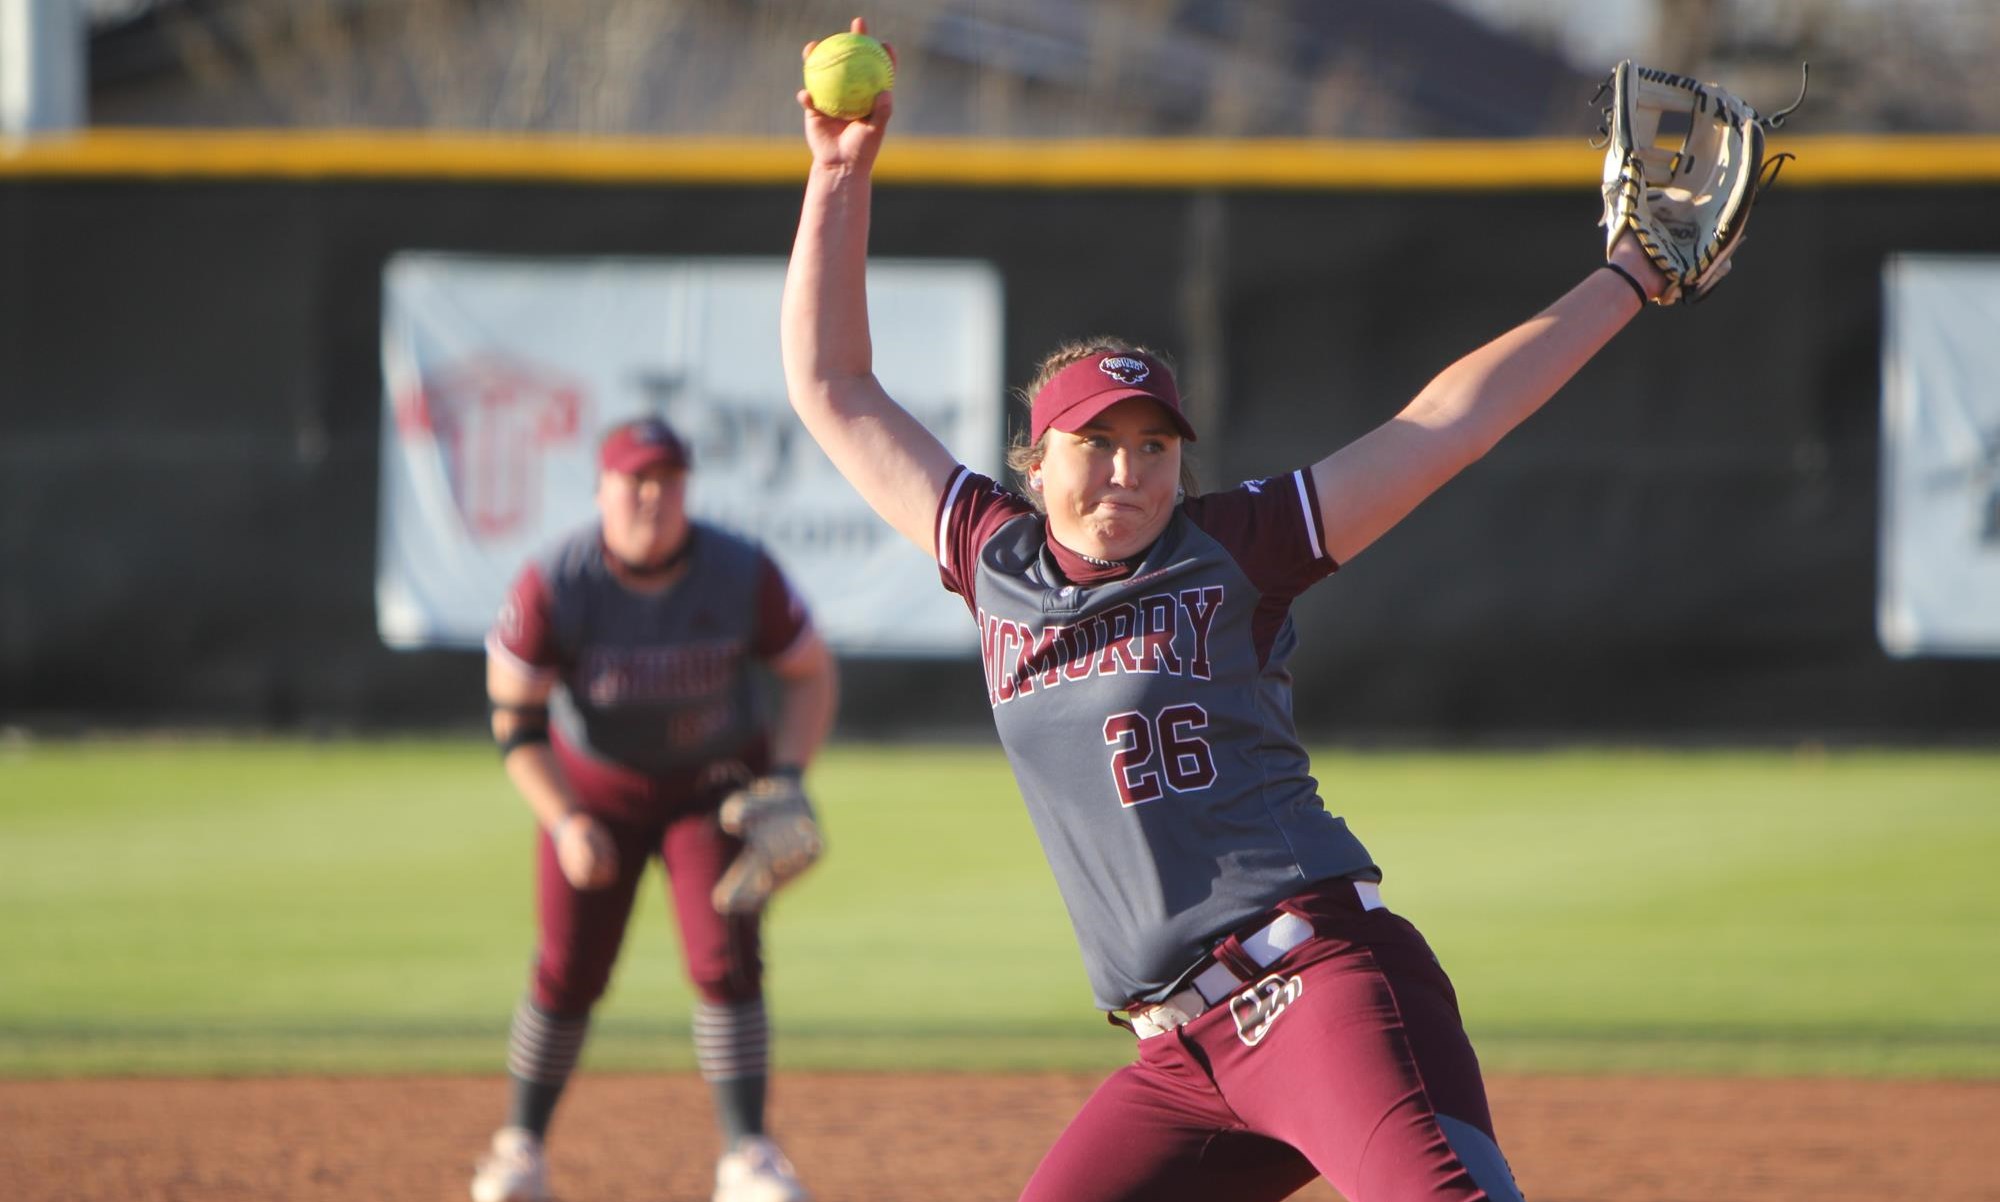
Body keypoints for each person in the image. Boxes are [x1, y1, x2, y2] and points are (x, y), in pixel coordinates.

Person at [781, 18, 1680, 1202]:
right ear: (1032, 464)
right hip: (1179, 1057)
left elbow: (1445, 423)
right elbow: (833, 386)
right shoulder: (995, 559)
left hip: (1315, 988)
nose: (1125, 469)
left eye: (1151, 445)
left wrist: (1626, 278)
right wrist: (837, 177)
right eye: (1093, 444)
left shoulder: (1233, 550)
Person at [470, 415, 838, 1202]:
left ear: (687, 491)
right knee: (568, 969)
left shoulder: (738, 571)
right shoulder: (557, 581)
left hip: (712, 792)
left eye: (667, 481)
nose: (651, 497)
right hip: (594, 793)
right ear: (601, 489)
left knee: (724, 958)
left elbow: (809, 671)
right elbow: (516, 721)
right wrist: (564, 818)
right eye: (634, 480)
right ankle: (518, 1148)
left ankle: (747, 1155)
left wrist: (791, 778)